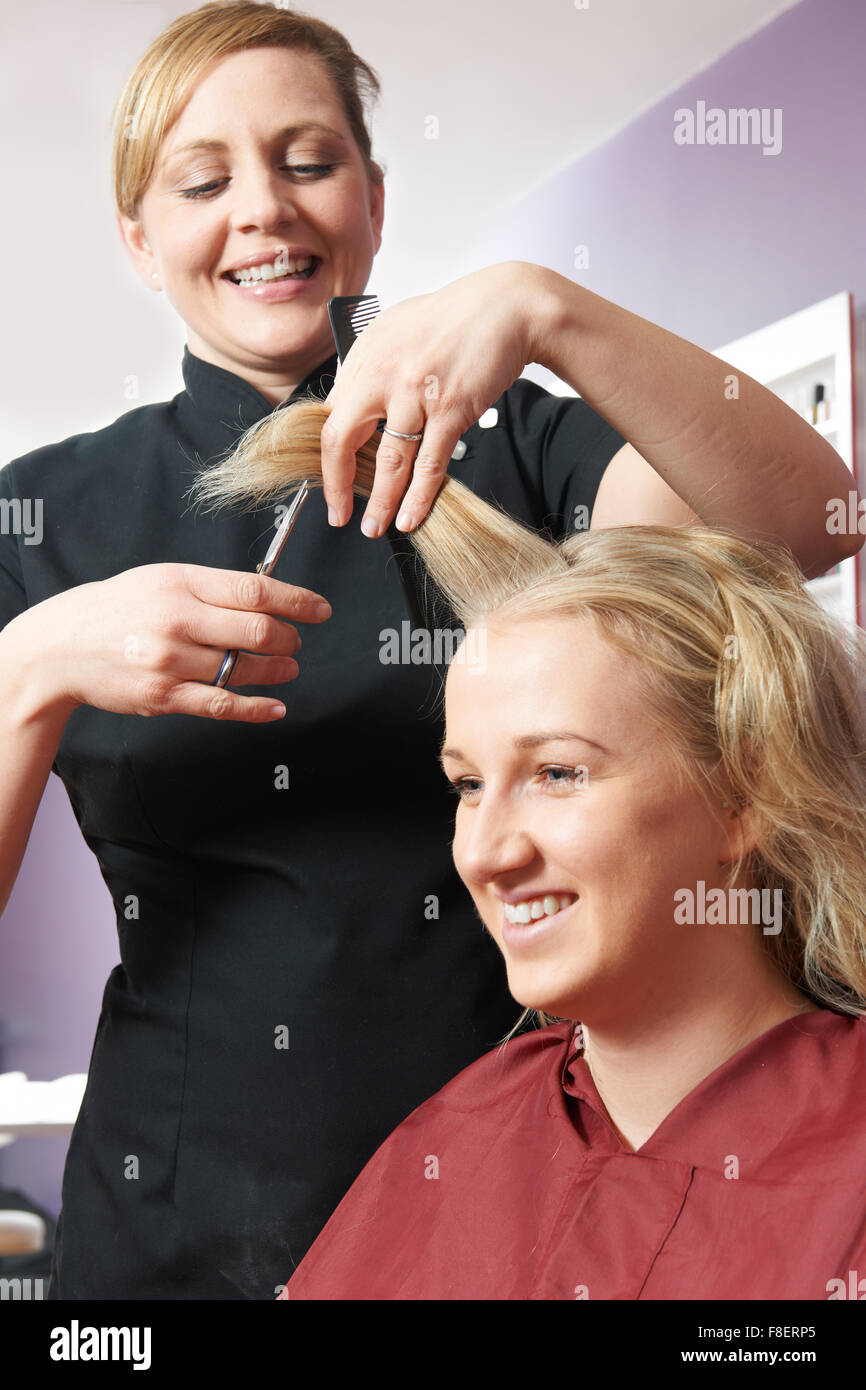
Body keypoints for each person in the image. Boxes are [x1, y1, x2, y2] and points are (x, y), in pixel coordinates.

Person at [0, 1, 858, 1300]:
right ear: (138, 236)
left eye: (307, 161)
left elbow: (814, 517)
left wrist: (543, 304)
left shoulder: (505, 444)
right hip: (170, 1230)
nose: (264, 211)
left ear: (372, 197)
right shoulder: (47, 514)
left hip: (508, 1200)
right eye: (201, 180)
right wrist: (32, 668)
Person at [195, 413, 866, 1300]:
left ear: (744, 797)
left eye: (557, 773)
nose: (486, 852)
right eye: (468, 785)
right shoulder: (448, 1144)